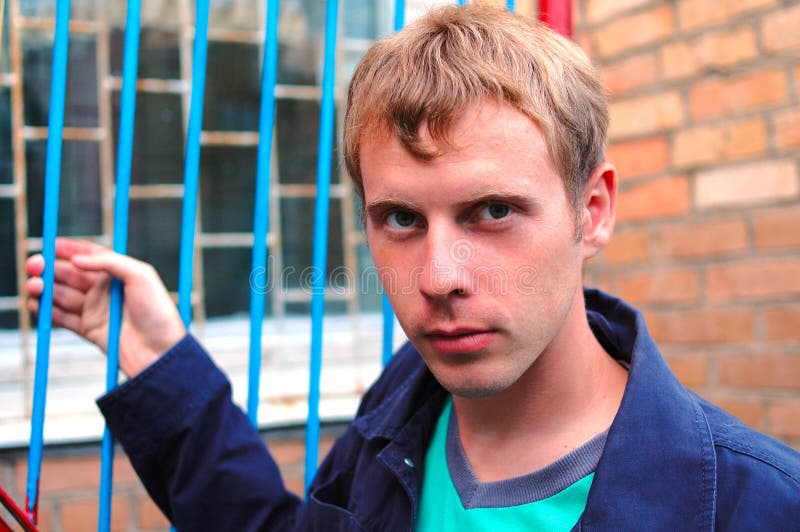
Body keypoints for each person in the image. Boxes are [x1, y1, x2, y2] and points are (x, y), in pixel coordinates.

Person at [25, 4, 799, 531]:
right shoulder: (399, 415)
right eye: (400, 219)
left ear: (591, 210)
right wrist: (160, 365)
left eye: (491, 211)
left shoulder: (756, 504)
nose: (437, 277)